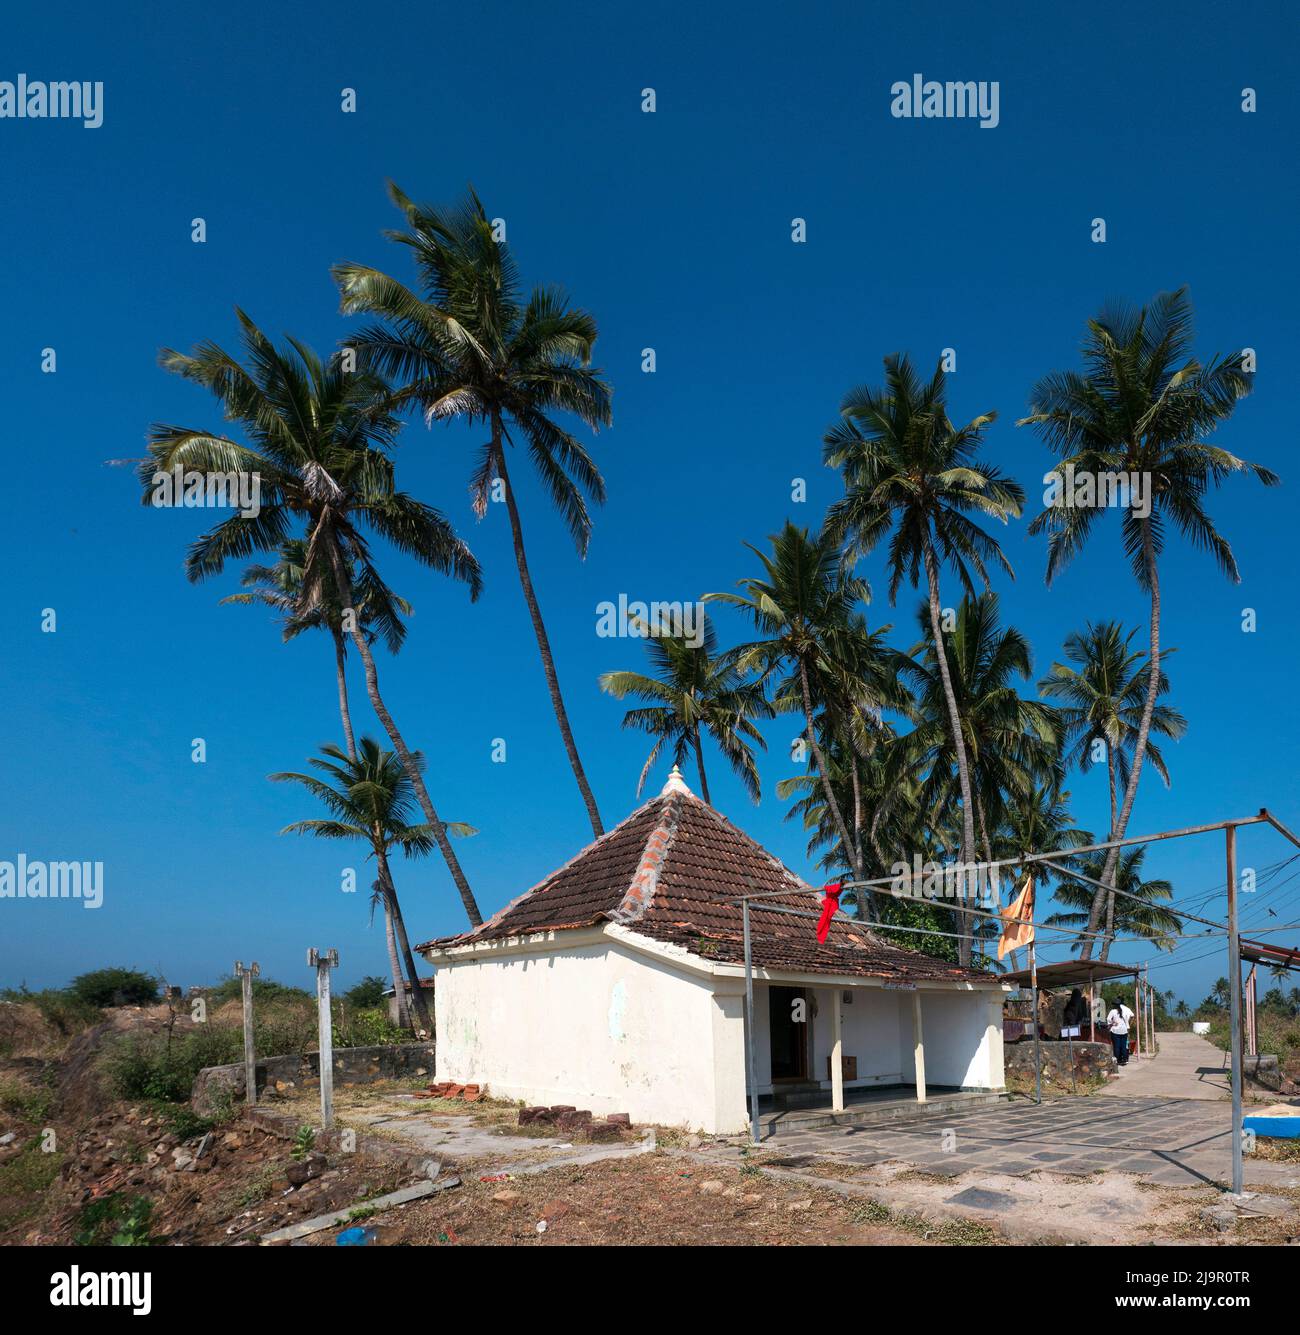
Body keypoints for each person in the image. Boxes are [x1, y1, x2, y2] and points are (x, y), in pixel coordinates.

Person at [1105, 996, 1131, 1066]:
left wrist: (1113, 1023)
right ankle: (1124, 1059)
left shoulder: (1113, 1011)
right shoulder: (1124, 1011)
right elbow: (1127, 1020)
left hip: (1116, 1031)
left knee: (1116, 1045)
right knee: (1123, 1045)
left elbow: (1108, 1019)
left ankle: (1117, 1059)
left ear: (1114, 1005)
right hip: (1124, 1030)